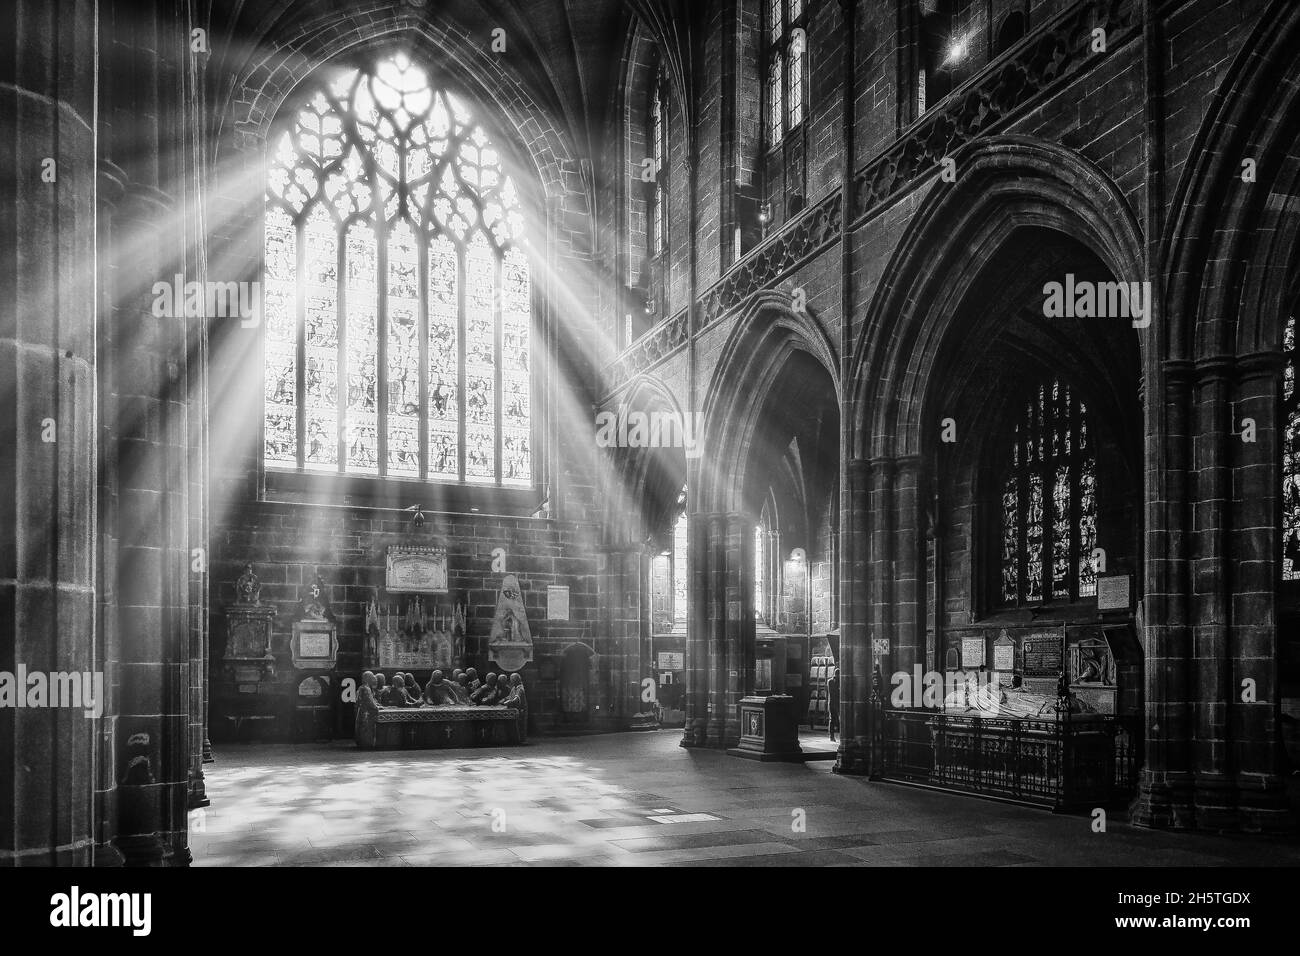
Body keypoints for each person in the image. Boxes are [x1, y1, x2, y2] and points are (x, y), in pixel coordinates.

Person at [827, 667, 840, 742]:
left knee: (838, 719)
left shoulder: (839, 682)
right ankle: (831, 736)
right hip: (832, 703)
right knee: (832, 719)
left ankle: (840, 735)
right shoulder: (830, 681)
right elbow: (832, 692)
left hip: (838, 702)